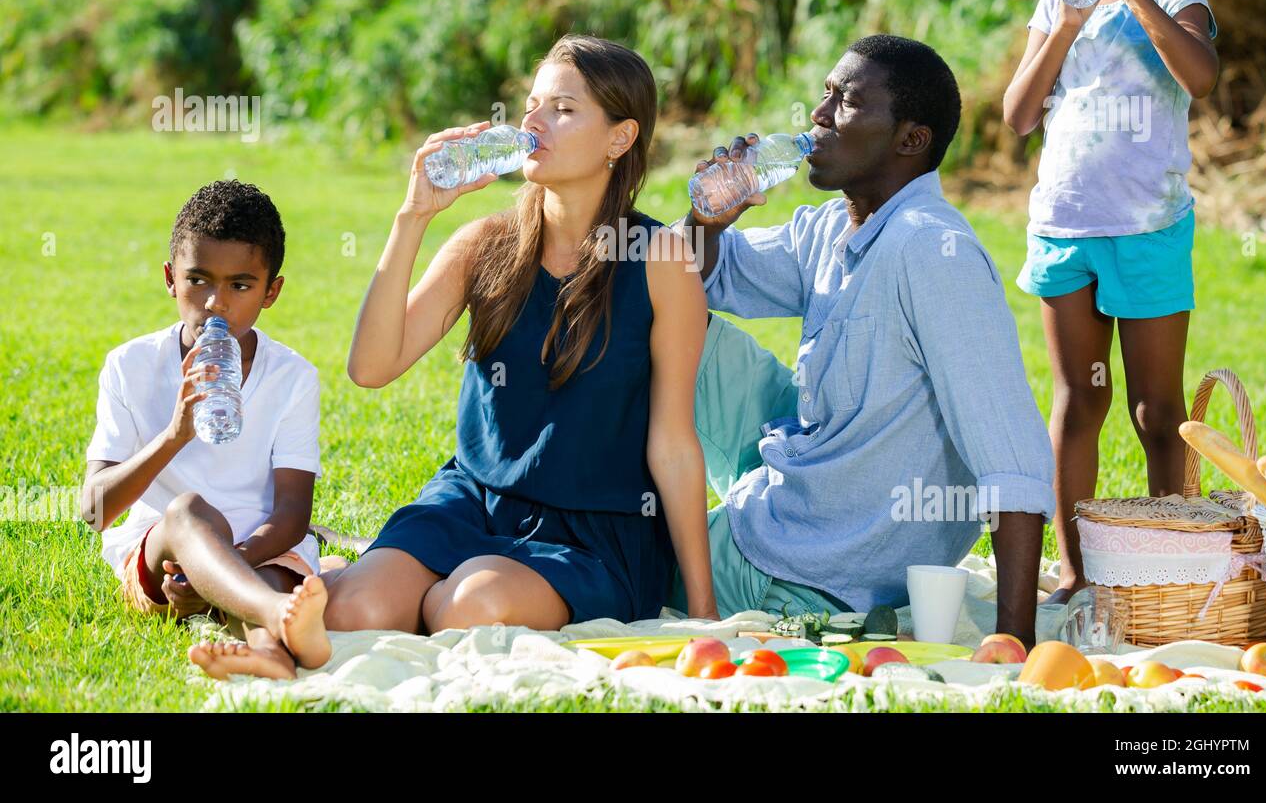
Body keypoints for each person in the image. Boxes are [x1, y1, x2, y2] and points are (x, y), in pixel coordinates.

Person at [266, 34, 716, 673]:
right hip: (472, 501)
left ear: (620, 138)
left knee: (470, 607)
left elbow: (672, 442)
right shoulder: (486, 244)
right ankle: (356, 576)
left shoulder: (664, 261)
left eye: (563, 109)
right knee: (355, 614)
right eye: (532, 104)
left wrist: (702, 604)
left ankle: (383, 576)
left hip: (594, 532)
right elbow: (370, 368)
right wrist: (413, 216)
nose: (532, 123)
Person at [677, 34, 1056, 647]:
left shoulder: (932, 251)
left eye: (847, 102)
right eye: (824, 95)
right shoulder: (832, 224)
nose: (819, 117)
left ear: (911, 140)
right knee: (663, 317)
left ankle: (806, 602)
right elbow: (698, 278)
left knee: (614, 563)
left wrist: (1015, 642)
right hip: (809, 474)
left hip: (816, 560)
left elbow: (1013, 458)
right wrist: (705, 222)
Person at [1002, 0, 1218, 604]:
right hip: (1066, 230)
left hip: (1150, 230)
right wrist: (1065, 21)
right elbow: (1020, 116)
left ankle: (1169, 567)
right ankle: (1080, 571)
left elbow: (1200, 75)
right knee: (1079, 401)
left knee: (1157, 412)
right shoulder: (1057, 5)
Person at [82, 180, 333, 681]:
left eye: (240, 285)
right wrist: (175, 434)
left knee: (268, 578)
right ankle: (275, 616)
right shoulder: (130, 365)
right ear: (171, 279)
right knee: (187, 509)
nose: (217, 303)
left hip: (260, 550)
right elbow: (95, 509)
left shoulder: (292, 377)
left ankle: (273, 652)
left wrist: (222, 570)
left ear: (271, 292)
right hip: (165, 559)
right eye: (199, 280)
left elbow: (291, 514)